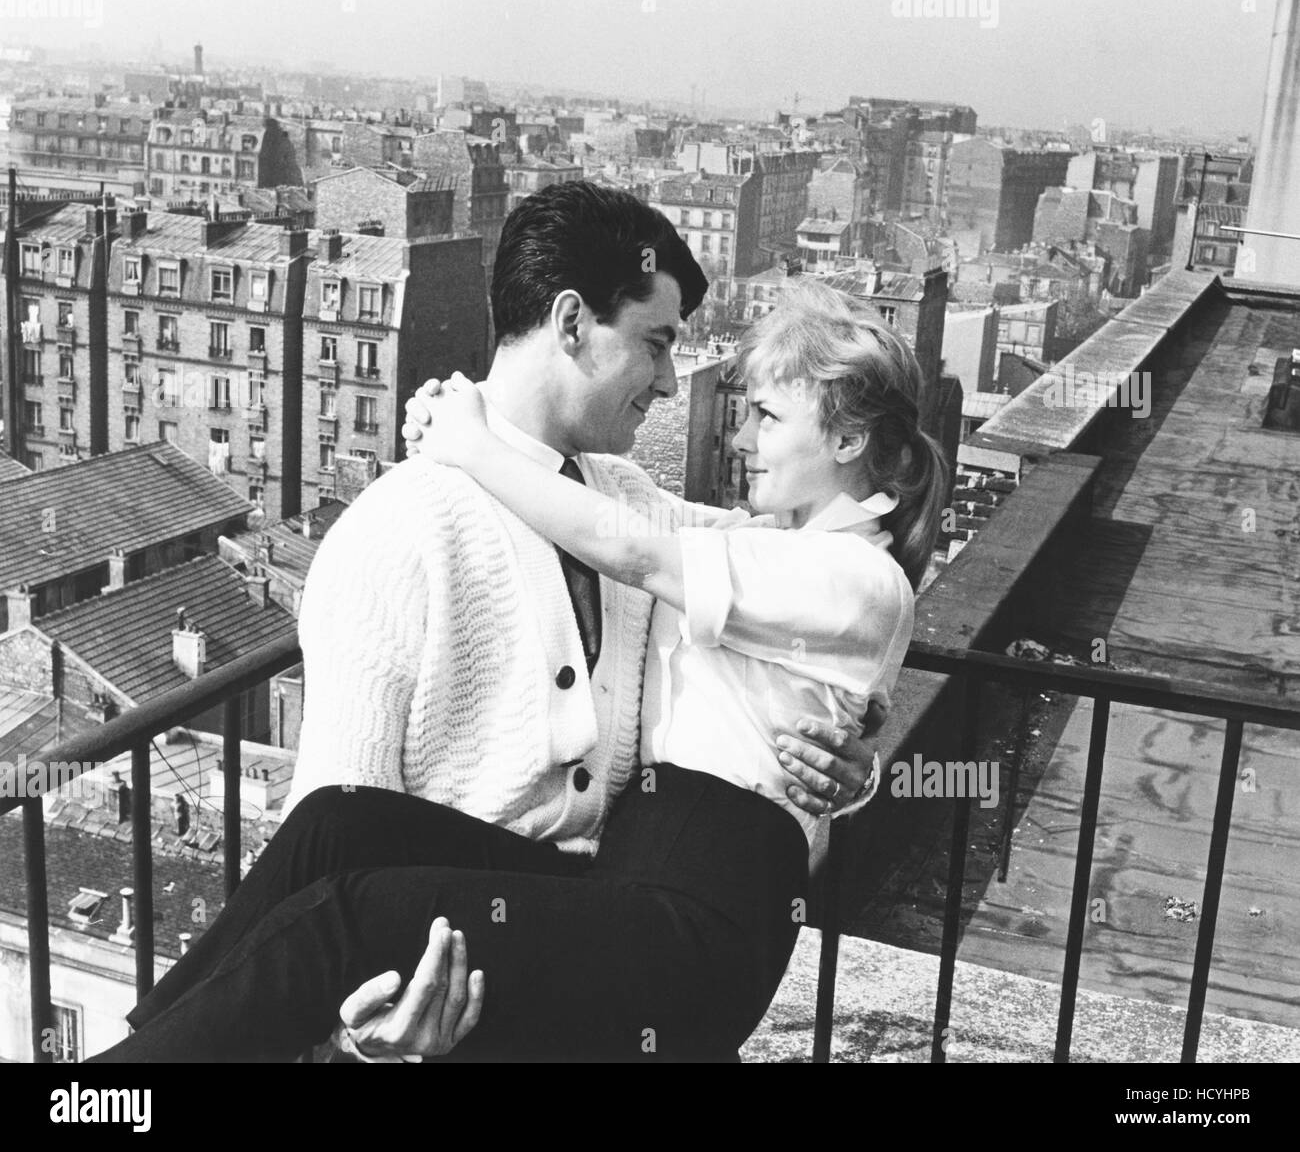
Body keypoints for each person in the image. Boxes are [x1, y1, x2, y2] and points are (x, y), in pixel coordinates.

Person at [91, 184, 881, 1062]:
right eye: (656, 343)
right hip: (467, 981)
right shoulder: (397, 531)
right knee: (333, 829)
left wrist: (846, 746)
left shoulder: (625, 505)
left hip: (619, 951)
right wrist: (360, 1040)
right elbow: (336, 821)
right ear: (572, 321)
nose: (667, 379)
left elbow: (788, 580)